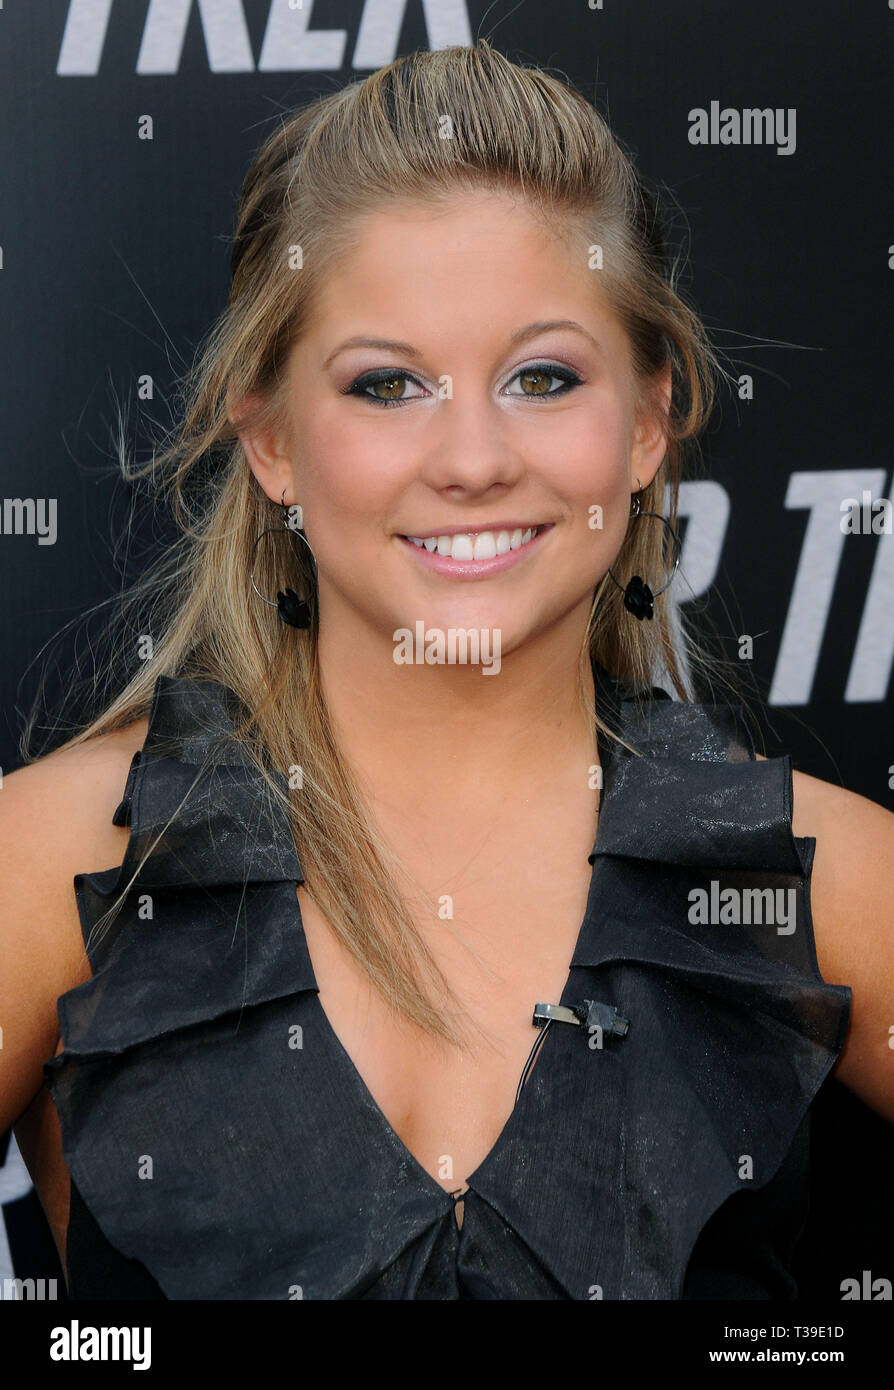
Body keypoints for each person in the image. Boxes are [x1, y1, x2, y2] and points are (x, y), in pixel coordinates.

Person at [2, 41, 891, 1301]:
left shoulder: (822, 879)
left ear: (644, 423)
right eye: (387, 383)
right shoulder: (61, 868)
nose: (471, 457)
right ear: (271, 442)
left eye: (543, 377)